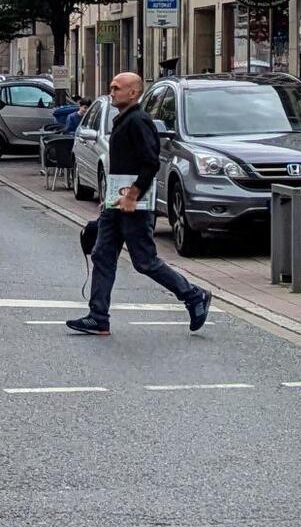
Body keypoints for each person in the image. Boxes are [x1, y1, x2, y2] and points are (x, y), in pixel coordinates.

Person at [68, 72, 210, 336]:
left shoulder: (139, 121)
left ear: (133, 93)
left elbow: (150, 163)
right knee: (102, 254)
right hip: (117, 203)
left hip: (134, 206)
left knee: (144, 261)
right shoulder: (122, 120)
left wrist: (133, 195)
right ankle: (98, 317)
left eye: (117, 88)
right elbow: (123, 165)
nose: (112, 91)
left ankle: (193, 295)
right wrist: (109, 199)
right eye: (111, 86)